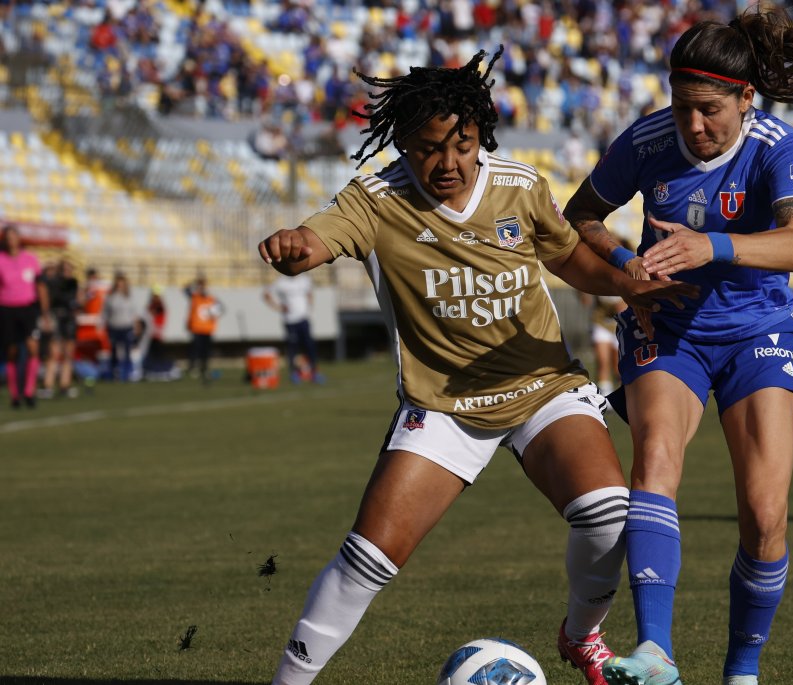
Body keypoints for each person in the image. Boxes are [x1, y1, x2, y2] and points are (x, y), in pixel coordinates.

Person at [257, 48, 697, 685]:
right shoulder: (376, 200)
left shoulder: (518, 186)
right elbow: (319, 237)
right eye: (429, 147)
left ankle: (581, 637)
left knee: (608, 513)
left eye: (462, 144)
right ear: (403, 144)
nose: (448, 162)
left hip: (542, 387)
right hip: (443, 409)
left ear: (480, 134)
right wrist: (296, 247)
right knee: (369, 558)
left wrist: (624, 283)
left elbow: (570, 258)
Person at [562, 3, 793, 684]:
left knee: (765, 516)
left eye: (709, 109)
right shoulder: (647, 141)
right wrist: (627, 264)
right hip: (669, 328)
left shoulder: (779, 146)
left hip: (757, 332)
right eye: (683, 107)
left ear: (746, 98)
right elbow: (580, 215)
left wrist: (709, 244)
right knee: (654, 460)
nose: (694, 124)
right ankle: (655, 652)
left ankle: (742, 670)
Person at [0, 223, 49, 409]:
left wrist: (45, 312)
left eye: (14, 236)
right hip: (6, 309)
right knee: (11, 352)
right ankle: (15, 395)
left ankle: (29, 391)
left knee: (32, 347)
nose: (11, 239)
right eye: (8, 236)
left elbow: (41, 286)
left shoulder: (30, 259)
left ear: (19, 238)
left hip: (27, 309)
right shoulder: (1, 260)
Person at [264, 271, 323, 384]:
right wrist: (278, 307)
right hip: (290, 320)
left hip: (303, 319)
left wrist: (309, 310)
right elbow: (266, 294)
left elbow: (309, 294)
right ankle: (294, 373)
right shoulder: (281, 282)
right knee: (293, 348)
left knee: (310, 346)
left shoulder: (304, 279)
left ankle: (314, 372)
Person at [38, 259, 81, 398]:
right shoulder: (53, 283)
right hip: (57, 317)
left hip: (69, 319)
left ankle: (65, 385)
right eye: (64, 269)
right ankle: (48, 385)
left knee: (68, 354)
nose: (67, 272)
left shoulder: (74, 283)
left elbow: (79, 302)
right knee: (53, 353)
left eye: (69, 269)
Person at [579, 289, 627, 395]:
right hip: (600, 323)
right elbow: (584, 289)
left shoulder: (625, 276)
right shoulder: (599, 276)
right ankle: (605, 396)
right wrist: (583, 294)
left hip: (620, 325)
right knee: (602, 362)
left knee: (618, 366)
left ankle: (622, 395)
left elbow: (623, 306)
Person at [184, 276, 222, 383]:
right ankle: (192, 368)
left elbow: (221, 309)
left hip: (208, 329)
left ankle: (204, 368)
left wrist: (215, 313)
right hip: (196, 328)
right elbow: (185, 289)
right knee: (194, 350)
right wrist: (195, 283)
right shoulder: (195, 297)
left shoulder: (212, 299)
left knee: (206, 351)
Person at [102, 272, 138, 382]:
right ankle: (114, 373)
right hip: (114, 327)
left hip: (126, 327)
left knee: (127, 351)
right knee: (113, 351)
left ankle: (127, 373)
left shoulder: (129, 297)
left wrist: (135, 327)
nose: (120, 286)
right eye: (118, 284)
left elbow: (134, 314)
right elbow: (105, 313)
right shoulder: (110, 298)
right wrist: (104, 326)